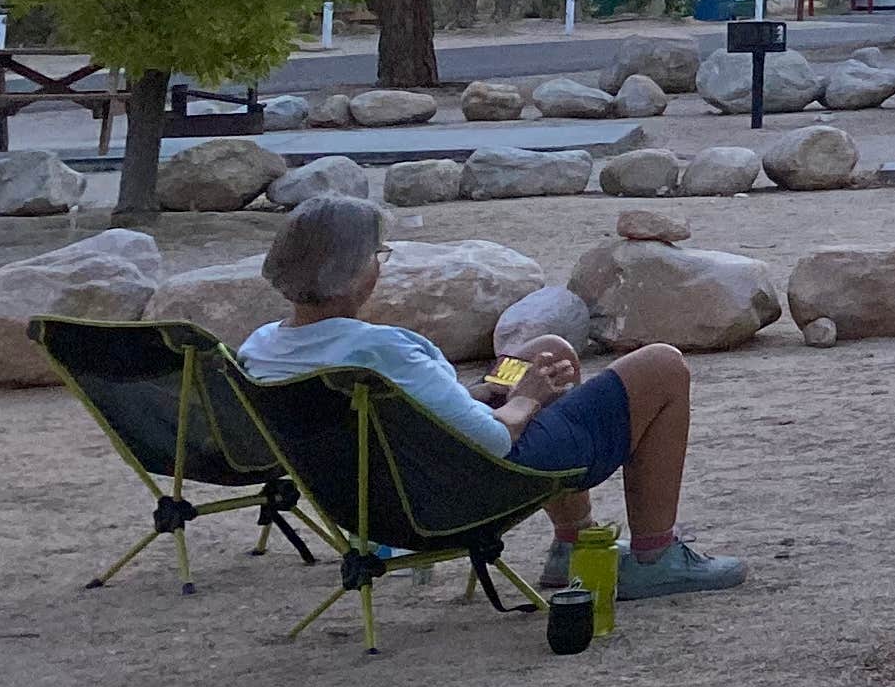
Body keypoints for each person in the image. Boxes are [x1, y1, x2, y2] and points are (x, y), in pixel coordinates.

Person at [242, 194, 746, 599]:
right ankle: (656, 558)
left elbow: (406, 413)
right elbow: (495, 440)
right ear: (352, 271)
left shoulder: (260, 349)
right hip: (470, 487)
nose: (381, 264)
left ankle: (573, 541)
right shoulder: (381, 351)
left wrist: (487, 390)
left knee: (547, 349)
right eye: (378, 254)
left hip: (378, 501)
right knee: (661, 365)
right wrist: (524, 398)